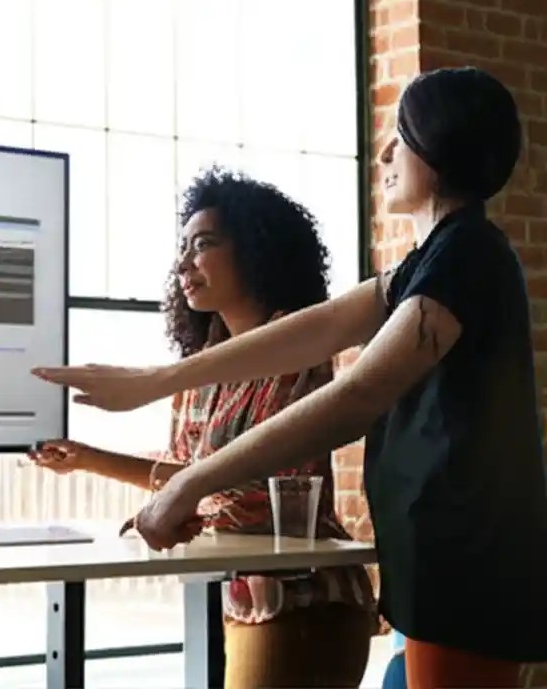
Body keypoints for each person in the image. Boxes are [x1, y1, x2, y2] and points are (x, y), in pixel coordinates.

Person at [33, 65, 547, 688]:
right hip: (438, 569)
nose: (386, 151)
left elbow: (358, 394)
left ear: (439, 150)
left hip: (468, 575)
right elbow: (316, 327)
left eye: (401, 136)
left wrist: (189, 483)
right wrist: (154, 381)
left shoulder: (467, 256)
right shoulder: (430, 261)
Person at [28, 166, 375, 688]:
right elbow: (194, 476)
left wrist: (186, 499)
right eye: (182, 248)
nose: (184, 263)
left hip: (308, 596)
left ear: (257, 251)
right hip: (236, 592)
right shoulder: (202, 368)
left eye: (204, 244)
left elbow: (265, 492)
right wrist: (87, 458)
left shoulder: (299, 349)